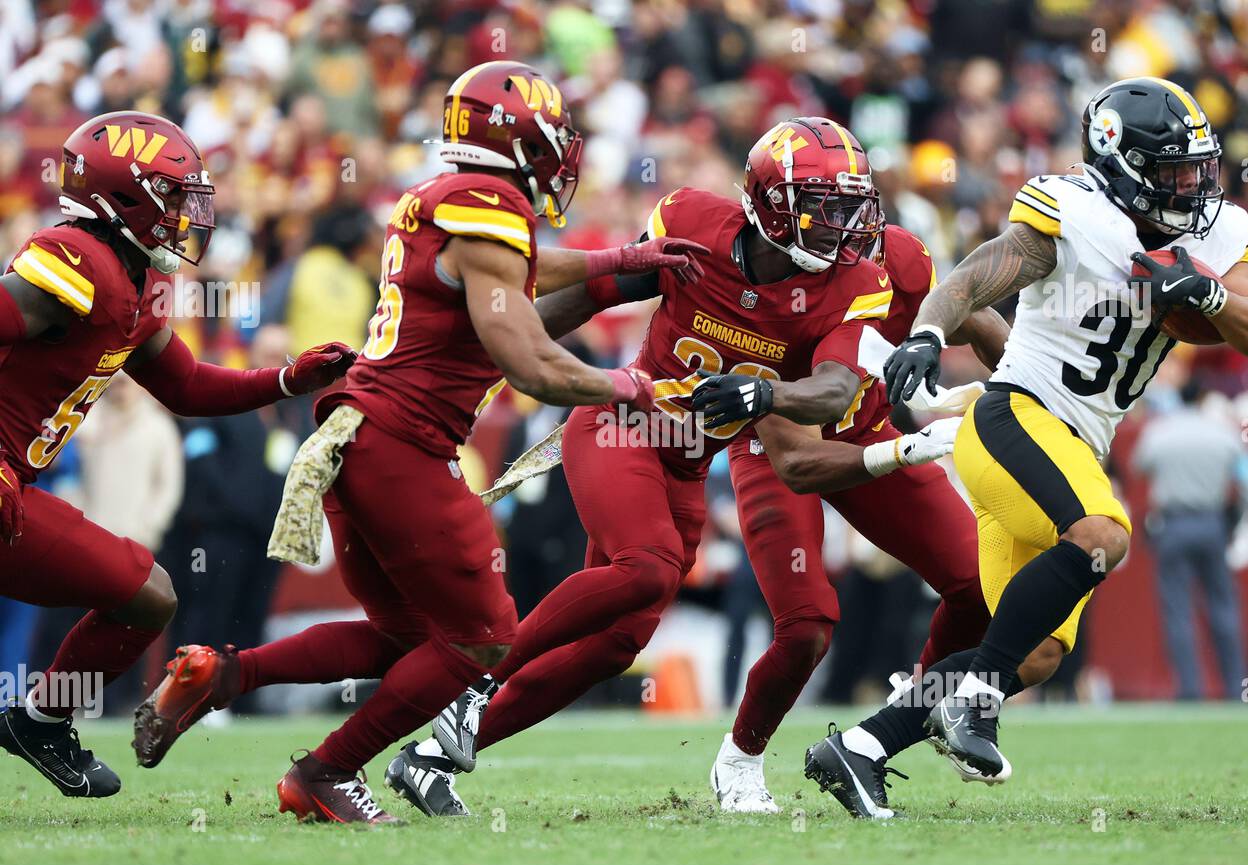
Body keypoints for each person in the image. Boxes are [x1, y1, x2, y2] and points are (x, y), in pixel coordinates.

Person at [130, 61, 708, 824]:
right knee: (487, 641)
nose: (559, 157)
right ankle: (326, 770)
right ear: (521, 138)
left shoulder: (451, 202)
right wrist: (624, 385)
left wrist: (618, 261)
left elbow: (519, 272)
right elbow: (527, 360)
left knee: (407, 637)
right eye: (549, 139)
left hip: (359, 436)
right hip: (402, 443)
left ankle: (224, 674)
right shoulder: (489, 209)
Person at [389, 117, 930, 817]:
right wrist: (496, 345)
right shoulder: (692, 223)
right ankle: (477, 684)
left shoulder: (851, 281)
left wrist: (768, 392)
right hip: (623, 424)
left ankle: (430, 759)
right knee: (644, 566)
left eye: (850, 206)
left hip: (686, 459)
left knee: (614, 645)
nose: (843, 225)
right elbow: (594, 293)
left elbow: (835, 387)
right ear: (770, 204)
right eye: (824, 205)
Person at [806, 77, 1248, 819]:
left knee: (1033, 652)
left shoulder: (1216, 234)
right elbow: (970, 279)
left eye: (1198, 169)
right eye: (1172, 170)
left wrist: (1205, 291)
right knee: (1103, 536)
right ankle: (976, 699)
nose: (1191, 187)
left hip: (1070, 450)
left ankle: (860, 750)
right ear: (1120, 161)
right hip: (1016, 420)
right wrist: (930, 334)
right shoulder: (1073, 212)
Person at [0, 110, 357, 799]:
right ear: (123, 198)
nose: (187, 217)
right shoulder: (78, 258)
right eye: (174, 198)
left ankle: (41, 723)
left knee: (145, 594)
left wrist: (287, 379)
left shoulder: (136, 282)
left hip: (17, 486)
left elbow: (187, 386)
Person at [707, 217, 1007, 812]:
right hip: (780, 449)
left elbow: (969, 312)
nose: (838, 244)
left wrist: (1027, 389)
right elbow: (799, 457)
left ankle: (912, 712)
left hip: (866, 427)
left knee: (980, 584)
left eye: (845, 214)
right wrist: (901, 448)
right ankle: (739, 758)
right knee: (807, 625)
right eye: (819, 218)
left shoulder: (900, 258)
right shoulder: (772, 285)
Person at [1133, 377, 1248, 700]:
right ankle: (1236, 689)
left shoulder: (1160, 431)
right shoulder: (1224, 432)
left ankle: (1190, 690)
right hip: (1212, 523)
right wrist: (1236, 518)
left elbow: (1139, 466)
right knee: (1223, 608)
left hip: (1173, 525)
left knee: (1177, 611)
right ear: (1204, 398)